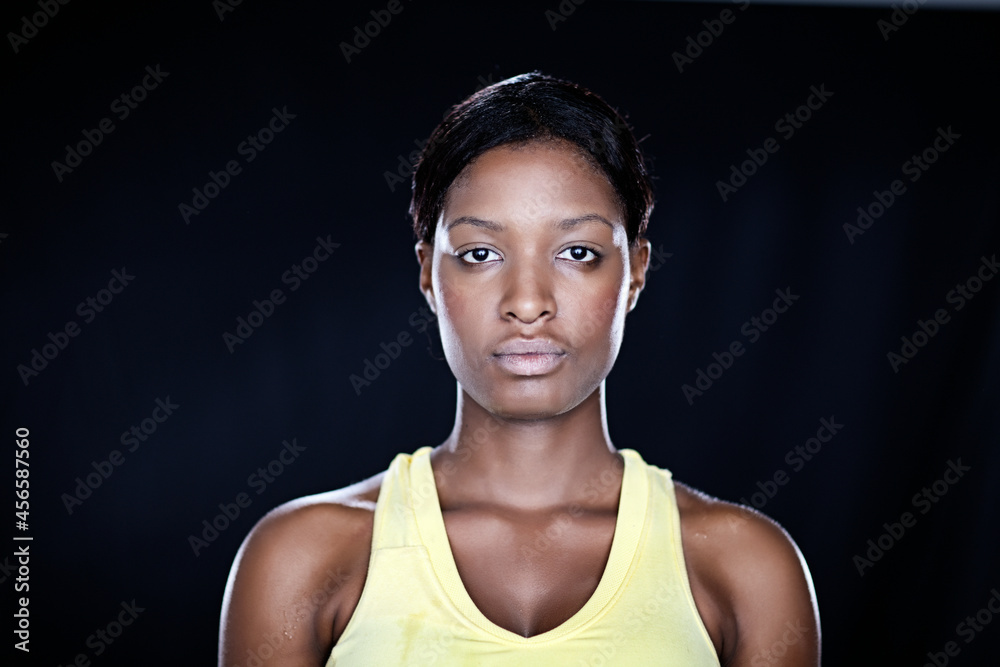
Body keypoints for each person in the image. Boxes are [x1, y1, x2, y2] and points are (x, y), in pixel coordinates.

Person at [219, 72, 821, 666]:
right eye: (480, 254)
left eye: (577, 253)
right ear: (428, 273)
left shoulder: (745, 567)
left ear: (636, 272)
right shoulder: (302, 557)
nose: (528, 302)